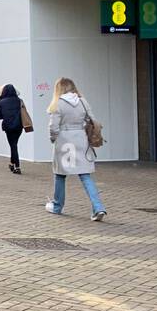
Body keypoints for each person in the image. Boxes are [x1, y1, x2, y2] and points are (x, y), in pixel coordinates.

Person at [46, 76, 106, 220]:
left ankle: (57, 206)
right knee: (85, 175)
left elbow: (53, 127)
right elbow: (92, 120)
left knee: (60, 174)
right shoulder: (82, 101)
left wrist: (53, 139)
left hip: (64, 141)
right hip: (81, 139)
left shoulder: (58, 103)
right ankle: (98, 207)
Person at [0, 83, 27, 175]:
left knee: (13, 145)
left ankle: (17, 166)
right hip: (19, 126)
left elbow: (0, 116)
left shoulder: (1, 103)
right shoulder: (19, 101)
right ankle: (12, 164)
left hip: (8, 127)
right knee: (14, 145)